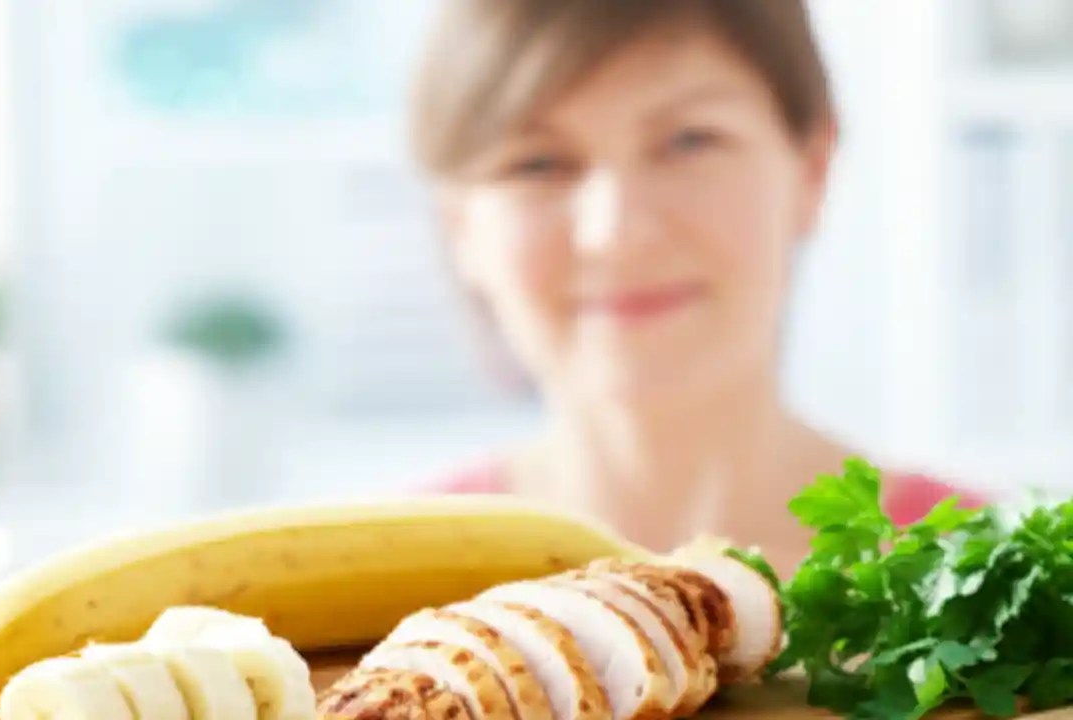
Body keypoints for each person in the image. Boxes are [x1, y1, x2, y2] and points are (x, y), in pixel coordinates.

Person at [410, 0, 984, 573]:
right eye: (537, 164)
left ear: (812, 171)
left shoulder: (989, 575)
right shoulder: (382, 593)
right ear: (459, 225)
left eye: (688, 141)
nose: (616, 233)